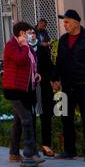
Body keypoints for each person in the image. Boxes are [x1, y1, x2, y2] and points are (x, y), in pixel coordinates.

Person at [53, 8, 85, 162]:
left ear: (76, 23)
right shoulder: (62, 40)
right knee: (66, 118)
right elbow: (59, 61)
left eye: (67, 22)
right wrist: (56, 79)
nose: (65, 25)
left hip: (83, 85)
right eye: (64, 22)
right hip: (67, 85)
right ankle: (69, 150)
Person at [2, 21, 44, 167]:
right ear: (21, 33)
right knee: (26, 119)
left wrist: (36, 74)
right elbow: (20, 60)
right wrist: (25, 46)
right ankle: (31, 153)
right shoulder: (11, 45)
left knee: (18, 121)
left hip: (26, 90)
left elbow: (31, 64)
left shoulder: (28, 47)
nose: (31, 34)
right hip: (14, 89)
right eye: (29, 32)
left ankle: (13, 152)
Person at [33, 26, 56, 157]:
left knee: (46, 116)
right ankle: (32, 146)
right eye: (29, 33)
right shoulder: (24, 49)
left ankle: (46, 145)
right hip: (30, 88)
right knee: (30, 117)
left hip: (44, 86)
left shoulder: (42, 49)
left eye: (33, 33)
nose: (31, 36)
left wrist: (54, 78)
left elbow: (49, 66)